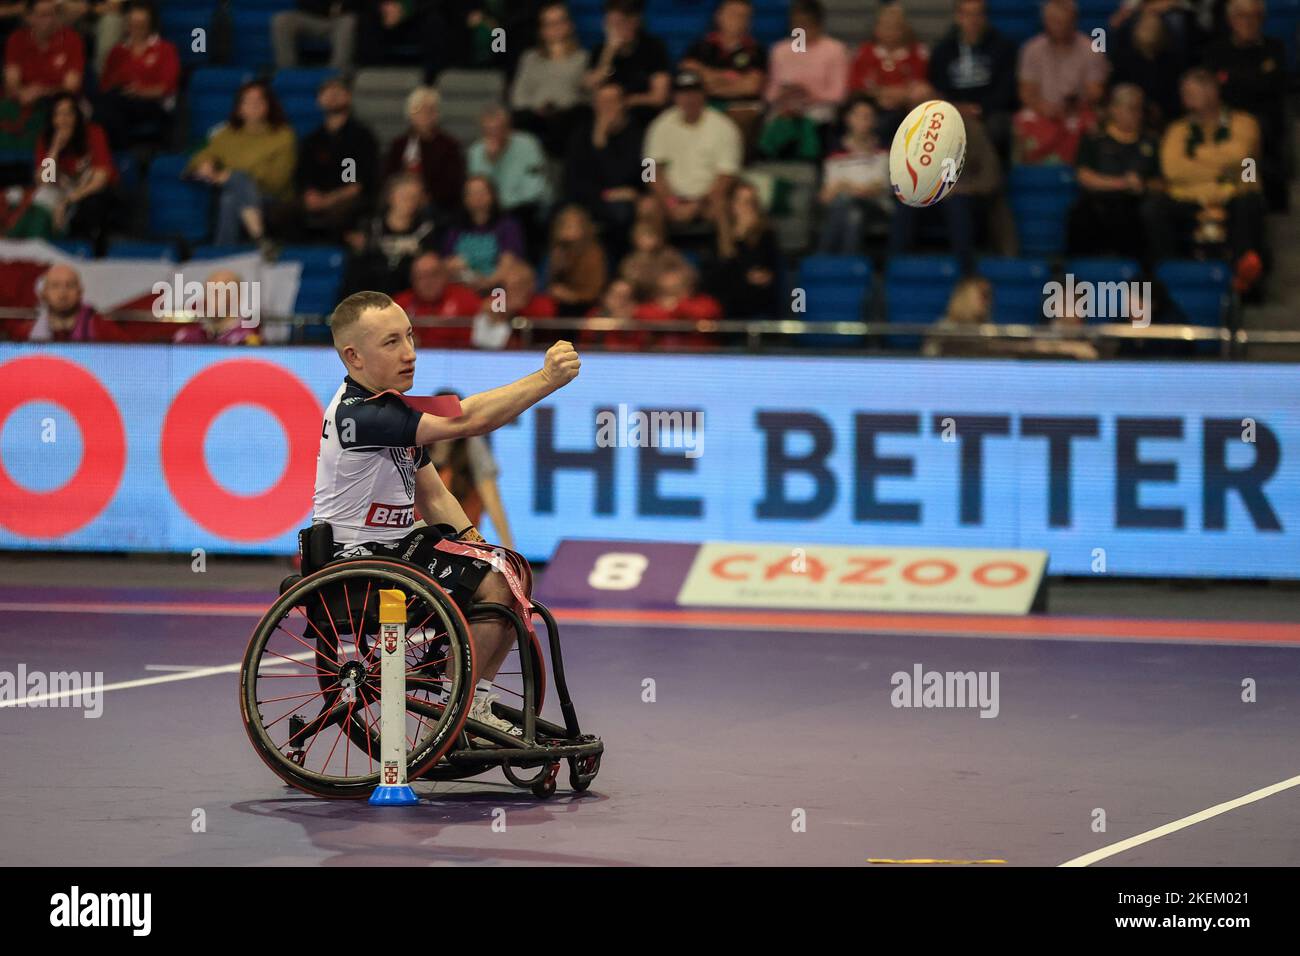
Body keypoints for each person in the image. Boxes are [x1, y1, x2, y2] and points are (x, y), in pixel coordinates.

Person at [316, 291, 581, 735]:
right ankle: (464, 709)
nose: (409, 353)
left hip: (395, 548)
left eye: (410, 337)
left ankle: (470, 698)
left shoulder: (386, 409)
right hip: (358, 560)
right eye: (391, 343)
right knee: (496, 583)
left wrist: (478, 543)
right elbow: (466, 419)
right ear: (353, 356)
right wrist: (546, 379)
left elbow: (435, 496)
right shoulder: (360, 414)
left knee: (508, 569)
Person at [1144, 67, 1265, 292]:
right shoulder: (1177, 129)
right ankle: (1169, 274)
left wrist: (1196, 156)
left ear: (1212, 92)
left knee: (1249, 203)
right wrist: (1221, 171)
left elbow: (1241, 155)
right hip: (1188, 200)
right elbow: (1173, 170)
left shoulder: (1244, 122)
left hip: (1232, 197)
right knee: (1154, 208)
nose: (1184, 98)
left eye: (1191, 92)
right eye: (1183, 92)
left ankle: (1245, 278)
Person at [185, 80, 296, 249]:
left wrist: (229, 177)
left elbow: (277, 181)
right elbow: (201, 155)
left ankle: (222, 253)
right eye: (247, 101)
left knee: (236, 184)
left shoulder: (283, 135)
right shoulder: (227, 133)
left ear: (269, 105)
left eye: (259, 101)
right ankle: (260, 240)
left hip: (271, 197)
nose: (253, 106)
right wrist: (205, 163)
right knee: (231, 197)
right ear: (239, 107)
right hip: (239, 196)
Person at [1201, 0, 1289, 211]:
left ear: (1263, 20)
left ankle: (1250, 196)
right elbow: (1212, 89)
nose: (1249, 22)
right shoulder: (1216, 51)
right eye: (1242, 15)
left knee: (1249, 140)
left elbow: (1274, 85)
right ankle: (1236, 196)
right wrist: (1254, 79)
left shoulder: (1275, 47)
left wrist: (1231, 78)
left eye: (1255, 16)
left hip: (1262, 123)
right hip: (1225, 119)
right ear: (1230, 20)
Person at [272, 77, 379, 244]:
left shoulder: (361, 137)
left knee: (340, 214)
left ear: (348, 97)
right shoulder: (312, 139)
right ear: (318, 100)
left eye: (338, 92)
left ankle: (335, 259)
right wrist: (309, 195)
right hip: (316, 198)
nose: (332, 96)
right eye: (326, 93)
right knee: (282, 212)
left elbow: (356, 182)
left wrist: (329, 200)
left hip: (346, 199)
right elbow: (302, 176)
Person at [1067, 84, 1161, 261]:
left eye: (1139, 109)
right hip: (1098, 203)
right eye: (1130, 108)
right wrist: (1123, 183)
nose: (1136, 114)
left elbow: (1160, 182)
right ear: (1114, 109)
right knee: (1081, 212)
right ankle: (1079, 271)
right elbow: (1084, 176)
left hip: (1135, 205)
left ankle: (1142, 273)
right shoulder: (1094, 139)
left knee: (1149, 213)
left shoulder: (1151, 142)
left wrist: (1143, 186)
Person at [644, 70, 743, 228]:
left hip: (708, 201)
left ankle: (727, 252)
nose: (689, 99)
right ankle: (653, 252)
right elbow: (649, 172)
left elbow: (727, 175)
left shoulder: (724, 126)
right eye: (683, 94)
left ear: (703, 95)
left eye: (694, 93)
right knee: (647, 207)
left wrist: (698, 205)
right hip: (670, 200)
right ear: (674, 97)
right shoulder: (659, 125)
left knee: (722, 207)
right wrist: (671, 203)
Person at [1013, 0, 1108, 164]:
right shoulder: (1032, 49)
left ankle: (1080, 173)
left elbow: (1096, 92)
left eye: (1063, 22)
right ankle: (1033, 173)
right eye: (1053, 22)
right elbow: (1026, 92)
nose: (1058, 27)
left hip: (1077, 110)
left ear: (1074, 21)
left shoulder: (1091, 49)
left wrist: (1076, 103)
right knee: (1023, 122)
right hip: (1042, 110)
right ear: (1045, 22)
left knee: (1091, 124)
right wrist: (1043, 107)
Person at [561, 80, 644, 265]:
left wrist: (601, 146)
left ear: (623, 104)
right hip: (590, 199)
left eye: (611, 102)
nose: (605, 108)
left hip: (624, 205)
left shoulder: (638, 135)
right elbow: (571, 181)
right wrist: (606, 194)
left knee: (621, 213)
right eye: (600, 102)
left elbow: (634, 176)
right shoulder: (580, 135)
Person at [927, 0, 1017, 159]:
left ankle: (993, 179)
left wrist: (980, 109)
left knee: (997, 126)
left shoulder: (1003, 47)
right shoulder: (942, 50)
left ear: (985, 17)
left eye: (977, 14)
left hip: (990, 111)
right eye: (967, 14)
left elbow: (1007, 90)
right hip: (953, 110)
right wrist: (958, 108)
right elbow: (937, 88)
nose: (972, 20)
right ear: (958, 17)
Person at [430, 397, 515, 551]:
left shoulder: (472, 447)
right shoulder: (414, 445)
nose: (448, 426)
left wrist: (509, 549)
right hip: (423, 544)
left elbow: (492, 500)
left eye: (454, 420)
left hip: (463, 545)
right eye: (441, 418)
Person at [466, 105, 552, 258]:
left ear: (508, 128)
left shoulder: (528, 144)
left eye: (498, 128)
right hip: (492, 209)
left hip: (526, 208)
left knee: (518, 220)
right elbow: (477, 189)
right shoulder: (476, 152)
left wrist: (502, 205)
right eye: (488, 130)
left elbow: (534, 189)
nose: (494, 134)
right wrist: (492, 161)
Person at [32, 91, 115, 247]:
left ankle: (85, 249)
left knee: (92, 205)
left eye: (68, 114)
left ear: (77, 116)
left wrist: (67, 201)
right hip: (63, 190)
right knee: (40, 198)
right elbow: (45, 180)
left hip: (88, 192)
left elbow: (100, 180)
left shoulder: (93, 133)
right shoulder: (46, 139)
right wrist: (55, 149)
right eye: (58, 114)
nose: (63, 120)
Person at [94, 0, 178, 150]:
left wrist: (139, 91)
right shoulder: (118, 51)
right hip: (121, 101)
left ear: (150, 25)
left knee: (112, 107)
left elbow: (168, 87)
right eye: (133, 24)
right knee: (107, 104)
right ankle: (115, 155)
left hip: (152, 104)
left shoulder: (165, 49)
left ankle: (115, 155)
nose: (136, 28)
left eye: (141, 24)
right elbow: (105, 86)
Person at [680, 0, 768, 144]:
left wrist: (709, 77)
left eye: (744, 16)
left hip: (740, 108)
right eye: (733, 15)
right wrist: (733, 79)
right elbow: (689, 75)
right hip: (705, 106)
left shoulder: (757, 51)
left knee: (744, 117)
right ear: (719, 16)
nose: (739, 21)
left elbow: (751, 86)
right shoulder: (701, 46)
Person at [510, 1, 589, 158]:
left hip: (567, 119)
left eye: (560, 21)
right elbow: (518, 95)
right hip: (535, 118)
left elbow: (586, 96)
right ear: (542, 30)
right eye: (550, 24)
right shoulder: (530, 58)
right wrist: (537, 108)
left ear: (569, 25)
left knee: (577, 117)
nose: (556, 27)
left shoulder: (583, 58)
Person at [816, 94, 890, 255]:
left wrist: (844, 186)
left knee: (846, 205)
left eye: (868, 116)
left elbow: (877, 188)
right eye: (858, 115)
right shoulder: (836, 152)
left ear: (875, 120)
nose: (864, 121)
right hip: (844, 208)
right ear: (848, 119)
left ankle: (822, 261)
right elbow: (825, 196)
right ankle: (846, 269)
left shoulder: (883, 151)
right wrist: (847, 189)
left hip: (876, 207)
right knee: (852, 214)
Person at [344, 173, 438, 296]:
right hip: (371, 292)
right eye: (404, 195)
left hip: (410, 297)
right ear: (390, 197)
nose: (410, 201)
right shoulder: (370, 227)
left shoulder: (426, 230)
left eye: (414, 196)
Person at [848, 3, 933, 135]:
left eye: (896, 27)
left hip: (906, 108)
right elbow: (857, 86)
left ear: (905, 28)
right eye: (886, 26)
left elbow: (921, 85)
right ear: (876, 28)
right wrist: (881, 95)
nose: (891, 31)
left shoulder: (917, 53)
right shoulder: (864, 52)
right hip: (873, 107)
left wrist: (899, 96)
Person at [583, 0, 671, 127]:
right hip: (606, 117)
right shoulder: (600, 51)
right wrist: (609, 53)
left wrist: (625, 102)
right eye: (614, 24)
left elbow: (659, 97)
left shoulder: (653, 48)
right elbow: (592, 88)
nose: (621, 27)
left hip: (642, 117)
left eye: (624, 21)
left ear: (636, 20)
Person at [384, 86, 467, 220]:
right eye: (419, 111)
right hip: (400, 201)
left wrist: (422, 198)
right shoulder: (399, 144)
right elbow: (390, 178)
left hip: (436, 203)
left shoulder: (450, 145)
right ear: (410, 114)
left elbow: (453, 183)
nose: (424, 116)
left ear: (437, 114)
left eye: (430, 111)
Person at [763, 0, 849, 128]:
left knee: (809, 121)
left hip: (819, 109)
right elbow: (770, 93)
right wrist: (783, 94)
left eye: (806, 24)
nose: (801, 29)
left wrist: (810, 93)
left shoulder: (835, 50)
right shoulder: (780, 50)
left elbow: (838, 94)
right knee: (775, 121)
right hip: (785, 107)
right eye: (797, 24)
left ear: (818, 24)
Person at [705, 179, 781, 320]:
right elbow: (718, 276)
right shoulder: (717, 234)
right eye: (742, 202)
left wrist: (747, 238)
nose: (747, 207)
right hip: (726, 300)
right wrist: (738, 236)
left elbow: (769, 274)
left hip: (756, 300)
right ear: (731, 205)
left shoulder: (766, 235)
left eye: (752, 202)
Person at [440, 175, 526, 295]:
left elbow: (509, 263)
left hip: (498, 290)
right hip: (461, 289)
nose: (477, 197)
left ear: (492, 195)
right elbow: (447, 264)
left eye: (482, 192)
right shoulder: (455, 229)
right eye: (472, 193)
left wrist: (486, 283)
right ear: (465, 199)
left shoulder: (507, 226)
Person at [393, 251, 482, 349]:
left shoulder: (466, 300)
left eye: (433, 274)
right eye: (421, 276)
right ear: (412, 280)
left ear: (444, 275)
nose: (428, 282)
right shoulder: (400, 305)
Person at [25, 262, 124, 342]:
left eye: (70, 285)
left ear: (80, 291)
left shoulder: (103, 328)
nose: (63, 293)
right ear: (44, 293)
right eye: (55, 286)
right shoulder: (25, 333)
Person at [545, 204, 607, 317]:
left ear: (583, 227)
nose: (568, 228)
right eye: (565, 224)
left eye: (573, 224)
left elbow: (595, 291)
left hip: (587, 305)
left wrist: (573, 296)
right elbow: (549, 284)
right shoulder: (557, 251)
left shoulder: (593, 252)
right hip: (561, 304)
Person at [171, 269, 262, 345]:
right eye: (208, 291)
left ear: (237, 297)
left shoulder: (247, 339)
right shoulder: (186, 336)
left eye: (217, 293)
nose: (210, 299)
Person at [618, 216, 692, 301]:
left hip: (673, 294)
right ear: (635, 239)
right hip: (646, 297)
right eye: (643, 237)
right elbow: (630, 279)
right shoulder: (632, 260)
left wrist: (675, 278)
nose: (648, 241)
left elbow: (688, 271)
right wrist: (657, 281)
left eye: (651, 236)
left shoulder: (668, 254)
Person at [271, 0, 359, 71]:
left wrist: (343, 7)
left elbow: (359, 5)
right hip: (312, 17)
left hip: (342, 19)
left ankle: (336, 73)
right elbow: (304, 5)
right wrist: (330, 7)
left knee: (349, 21)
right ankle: (288, 71)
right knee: (282, 20)